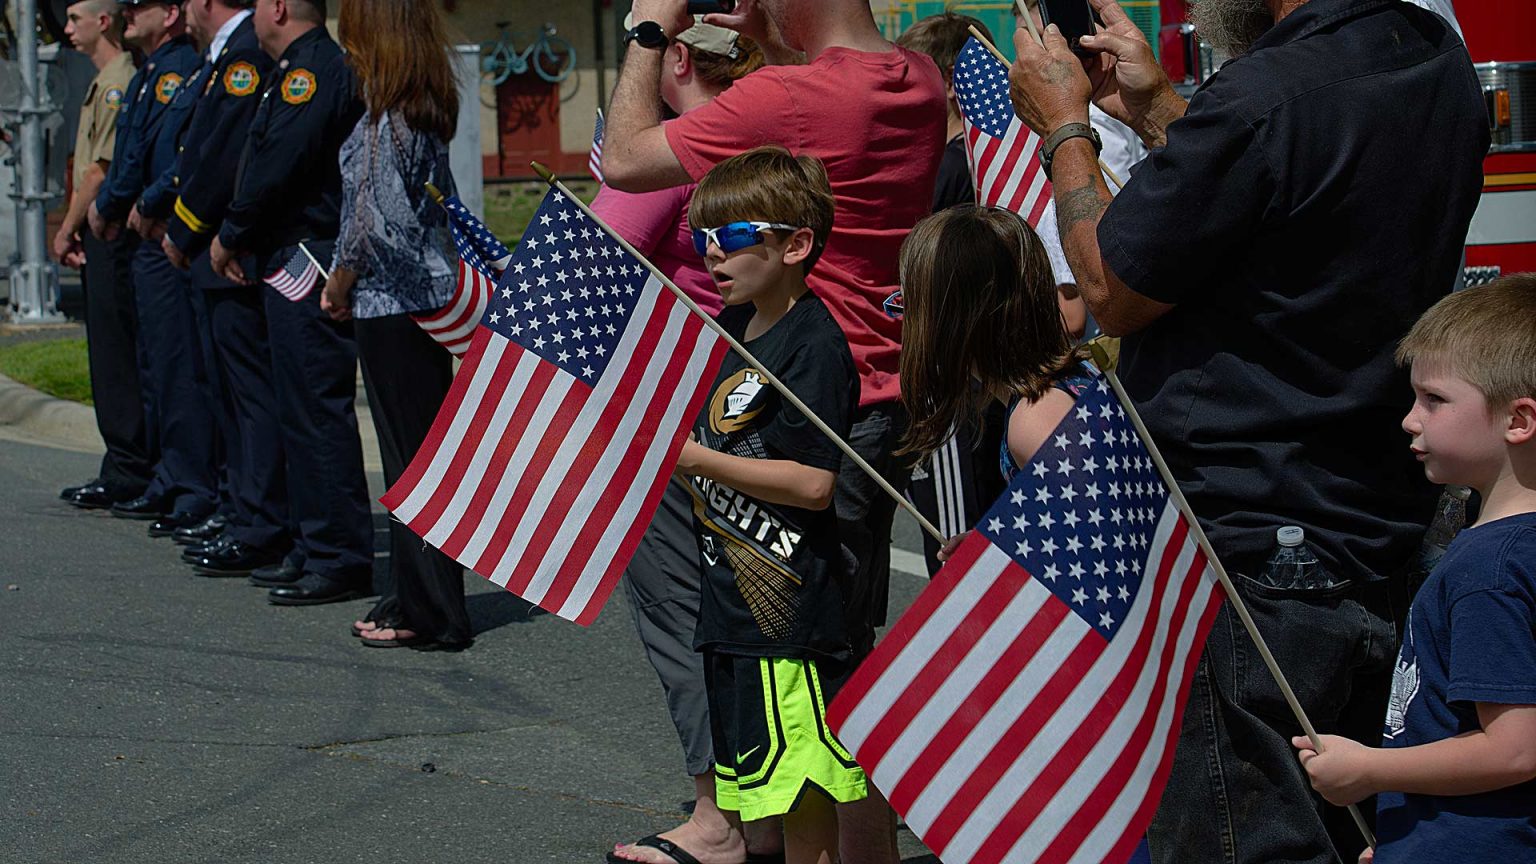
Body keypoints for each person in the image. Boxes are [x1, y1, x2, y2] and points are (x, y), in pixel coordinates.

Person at [1004, 0, 1490, 860]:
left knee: (1242, 835)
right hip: (1375, 513)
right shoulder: (1431, 57)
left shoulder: (1268, 91)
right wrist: (1156, 110)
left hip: (1247, 536)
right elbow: (1287, 196)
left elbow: (1112, 287)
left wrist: (1063, 126)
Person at [607, 6, 947, 856]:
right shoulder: (917, 79)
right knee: (834, 667)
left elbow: (625, 160)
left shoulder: (796, 96)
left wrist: (649, 31)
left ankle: (772, 835)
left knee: (805, 676)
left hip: (808, 406)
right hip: (884, 394)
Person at [615, 146, 863, 864]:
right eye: (702, 239)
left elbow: (815, 483)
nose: (713, 255)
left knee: (801, 794)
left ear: (794, 244)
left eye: (731, 237)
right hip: (730, 611)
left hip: (788, 616)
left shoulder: (812, 342)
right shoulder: (735, 332)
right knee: (758, 800)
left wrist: (691, 460)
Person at [597, 18, 773, 861]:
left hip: (677, 402)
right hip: (762, 395)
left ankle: (717, 817)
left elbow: (601, 256)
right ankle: (772, 806)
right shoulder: (770, 132)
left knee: (681, 612)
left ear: (673, 59)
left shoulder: (677, 150)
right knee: (760, 611)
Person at [1292, 274, 1536, 861]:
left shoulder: (1489, 567)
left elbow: (1515, 748)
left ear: (1517, 420)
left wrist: (1372, 770)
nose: (1410, 419)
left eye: (1435, 399)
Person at [210, 0, 371, 606]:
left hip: (309, 256)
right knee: (295, 407)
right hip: (286, 255)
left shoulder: (315, 71)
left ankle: (338, 554)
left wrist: (232, 231)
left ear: (279, 6)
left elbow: (280, 162)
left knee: (314, 407)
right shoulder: (293, 69)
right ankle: (313, 542)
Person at [321, 0, 468, 649]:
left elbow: (372, 225)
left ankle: (432, 613)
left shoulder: (386, 121)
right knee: (425, 457)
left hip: (391, 306)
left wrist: (337, 281)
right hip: (429, 306)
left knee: (410, 464)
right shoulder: (424, 110)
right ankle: (413, 595)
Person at [154, 0, 291, 573]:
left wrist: (186, 229)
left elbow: (223, 156)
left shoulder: (242, 59)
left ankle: (259, 521)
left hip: (226, 247)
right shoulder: (222, 58)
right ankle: (242, 509)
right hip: (214, 246)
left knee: (249, 396)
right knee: (224, 390)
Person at [87, 0, 216, 537]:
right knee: (153, 365)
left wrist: (126, 203)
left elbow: (169, 158)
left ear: (168, 14)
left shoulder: (177, 70)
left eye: (137, 6)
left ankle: (191, 485)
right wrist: (119, 201)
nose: (125, 14)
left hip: (165, 231)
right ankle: (169, 476)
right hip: (143, 232)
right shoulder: (149, 74)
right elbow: (131, 152)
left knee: (176, 367)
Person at [897, 205, 1090, 514]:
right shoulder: (1053, 390)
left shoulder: (1035, 421)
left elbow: (1096, 541)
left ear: (952, 322)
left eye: (909, 305)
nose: (903, 321)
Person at [54, 0, 152, 512]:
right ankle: (124, 462)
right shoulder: (107, 79)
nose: (68, 29)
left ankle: (128, 467)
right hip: (102, 229)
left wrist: (65, 230)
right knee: (110, 353)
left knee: (116, 355)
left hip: (109, 232)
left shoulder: (119, 80)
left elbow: (97, 172)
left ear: (103, 22)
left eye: (75, 19)